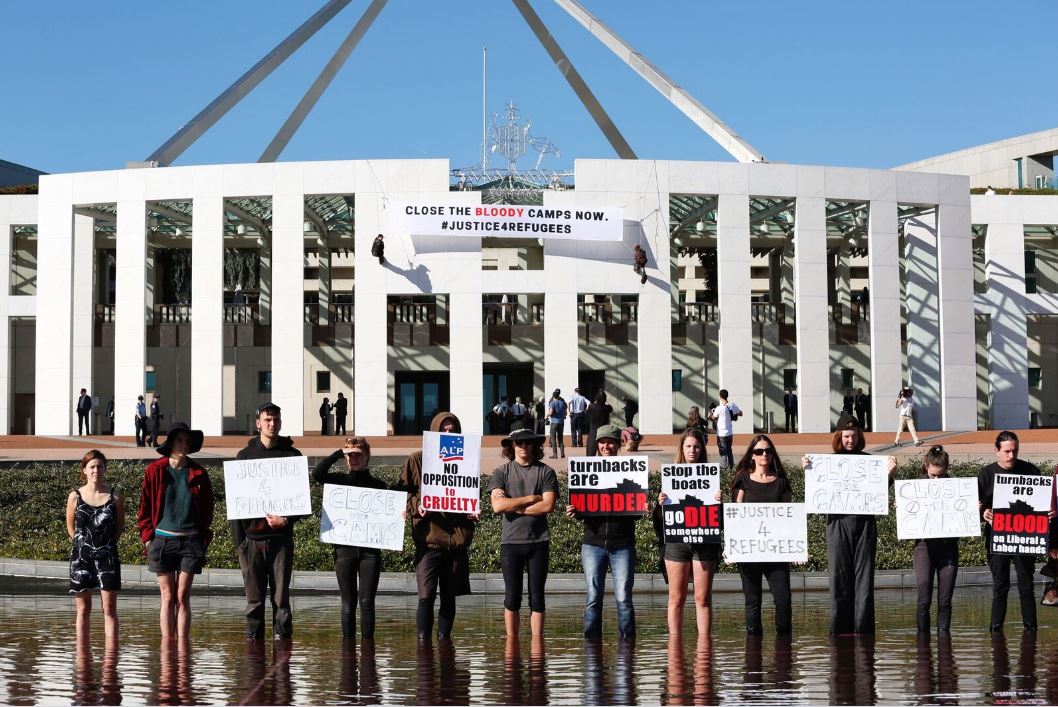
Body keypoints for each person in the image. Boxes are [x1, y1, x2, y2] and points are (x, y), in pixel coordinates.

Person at [802, 422, 896, 634]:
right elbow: (816, 489)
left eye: (853, 436)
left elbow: (879, 493)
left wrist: (889, 475)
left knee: (864, 578)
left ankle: (863, 629)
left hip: (865, 524)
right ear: (839, 437)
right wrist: (808, 468)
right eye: (846, 436)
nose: (850, 440)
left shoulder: (870, 461)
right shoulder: (825, 462)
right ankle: (839, 629)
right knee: (838, 576)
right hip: (837, 523)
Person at [394, 412, 478, 641]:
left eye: (453, 430)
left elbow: (470, 491)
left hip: (456, 541)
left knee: (449, 597)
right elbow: (403, 494)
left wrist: (474, 510)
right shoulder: (416, 460)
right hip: (428, 540)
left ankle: (444, 642)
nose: (448, 434)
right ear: (435, 432)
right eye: (444, 430)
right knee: (426, 596)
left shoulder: (467, 460)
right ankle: (423, 644)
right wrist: (416, 506)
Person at [136, 422, 215, 639]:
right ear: (170, 443)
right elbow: (144, 507)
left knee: (183, 596)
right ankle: (167, 646)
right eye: (180, 440)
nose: (184, 445)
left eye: (187, 441)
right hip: (162, 541)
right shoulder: (155, 470)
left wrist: (203, 538)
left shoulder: (198, 472)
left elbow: (208, 508)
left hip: (191, 541)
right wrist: (148, 540)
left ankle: (182, 647)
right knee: (167, 596)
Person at [232, 402, 303, 640]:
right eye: (268, 420)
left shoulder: (292, 455)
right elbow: (236, 505)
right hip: (252, 541)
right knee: (254, 600)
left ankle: (283, 650)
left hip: (281, 540)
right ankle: (254, 648)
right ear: (258, 423)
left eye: (276, 420)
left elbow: (302, 502)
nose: (272, 424)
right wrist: (239, 544)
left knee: (281, 600)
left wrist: (287, 519)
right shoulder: (244, 456)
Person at [566, 424, 640, 639]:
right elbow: (583, 509)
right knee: (592, 597)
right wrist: (574, 511)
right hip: (593, 543)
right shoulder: (585, 470)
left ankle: (628, 648)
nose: (606, 446)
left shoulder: (630, 469)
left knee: (624, 598)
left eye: (610, 442)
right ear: (597, 445)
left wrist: (641, 506)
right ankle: (591, 646)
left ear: (618, 445)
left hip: (623, 544)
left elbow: (634, 512)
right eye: (602, 442)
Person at [313, 436, 387, 639]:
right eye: (349, 455)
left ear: (367, 456)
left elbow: (388, 515)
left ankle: (367, 648)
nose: (353, 458)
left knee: (367, 602)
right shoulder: (338, 481)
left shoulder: (379, 486)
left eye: (358, 454)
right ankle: (348, 649)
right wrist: (339, 452)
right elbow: (317, 474)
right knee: (347, 602)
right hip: (344, 549)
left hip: (370, 552)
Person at [488, 427, 558, 638]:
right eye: (519, 443)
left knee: (537, 597)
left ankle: (537, 644)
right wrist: (530, 499)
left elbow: (548, 506)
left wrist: (513, 506)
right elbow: (498, 507)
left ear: (535, 445)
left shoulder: (546, 472)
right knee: (512, 597)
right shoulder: (502, 472)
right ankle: (512, 642)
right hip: (511, 542)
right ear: (512, 446)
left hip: (539, 541)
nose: (524, 446)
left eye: (528, 442)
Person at [978, 430, 1048, 632]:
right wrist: (983, 513)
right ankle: (995, 631)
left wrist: (1049, 511)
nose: (1011, 456)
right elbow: (974, 507)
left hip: (1026, 538)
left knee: (1026, 586)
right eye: (1007, 451)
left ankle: (1031, 630)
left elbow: (1043, 501)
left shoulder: (1031, 471)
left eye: (1015, 451)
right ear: (997, 451)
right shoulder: (986, 474)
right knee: (1000, 586)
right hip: (996, 538)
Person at [654, 428, 718, 636]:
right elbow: (659, 524)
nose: (693, 450)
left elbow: (721, 521)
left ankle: (704, 651)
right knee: (676, 598)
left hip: (705, 541)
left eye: (697, 446)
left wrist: (719, 503)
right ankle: (675, 648)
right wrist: (660, 505)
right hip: (676, 543)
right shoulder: (670, 476)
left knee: (703, 599)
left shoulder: (711, 477)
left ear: (702, 449)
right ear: (682, 448)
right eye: (689, 446)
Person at [730, 435, 793, 634]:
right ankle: (753, 653)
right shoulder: (742, 480)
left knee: (783, 601)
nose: (763, 454)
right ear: (752, 456)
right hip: (749, 552)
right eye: (759, 451)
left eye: (767, 451)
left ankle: (784, 652)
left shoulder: (781, 482)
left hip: (776, 553)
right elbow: (735, 516)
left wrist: (796, 548)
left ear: (773, 454)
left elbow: (790, 516)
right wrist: (731, 548)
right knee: (752, 602)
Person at [68, 450, 124, 641]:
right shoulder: (75, 497)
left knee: (109, 609)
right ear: (84, 470)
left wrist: (105, 546)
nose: (96, 470)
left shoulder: (115, 496)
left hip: (107, 558)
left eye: (100, 466)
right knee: (83, 609)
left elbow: (119, 527)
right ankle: (82, 656)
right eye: (91, 466)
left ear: (105, 469)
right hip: (81, 560)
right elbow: (71, 528)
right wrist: (82, 546)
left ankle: (111, 658)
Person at [913, 445, 959, 633]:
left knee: (945, 599)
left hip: (948, 546)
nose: (937, 480)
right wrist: (903, 506)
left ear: (947, 469)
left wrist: (974, 507)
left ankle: (944, 642)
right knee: (924, 596)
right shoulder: (914, 488)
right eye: (933, 476)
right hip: (924, 546)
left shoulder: (957, 488)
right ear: (926, 466)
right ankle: (922, 643)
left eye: (941, 475)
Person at [709, 389, 741, 469]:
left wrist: (710, 416)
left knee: (723, 451)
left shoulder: (719, 408)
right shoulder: (732, 405)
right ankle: (731, 467)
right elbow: (741, 413)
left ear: (720, 397)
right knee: (729, 450)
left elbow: (713, 418)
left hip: (721, 434)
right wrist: (733, 414)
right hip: (729, 432)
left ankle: (724, 468)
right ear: (727, 396)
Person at [584, 391, 612, 458]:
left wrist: (595, 402)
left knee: (590, 454)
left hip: (593, 432)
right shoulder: (608, 408)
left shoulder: (591, 407)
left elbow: (587, 412)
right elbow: (610, 408)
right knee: (604, 453)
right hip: (604, 432)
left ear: (596, 398)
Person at [546, 389, 567, 459]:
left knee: (553, 438)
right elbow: (565, 413)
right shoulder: (563, 402)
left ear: (553, 396)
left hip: (554, 422)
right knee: (560, 438)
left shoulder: (552, 403)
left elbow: (551, 412)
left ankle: (555, 454)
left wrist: (546, 416)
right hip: (561, 422)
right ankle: (562, 453)